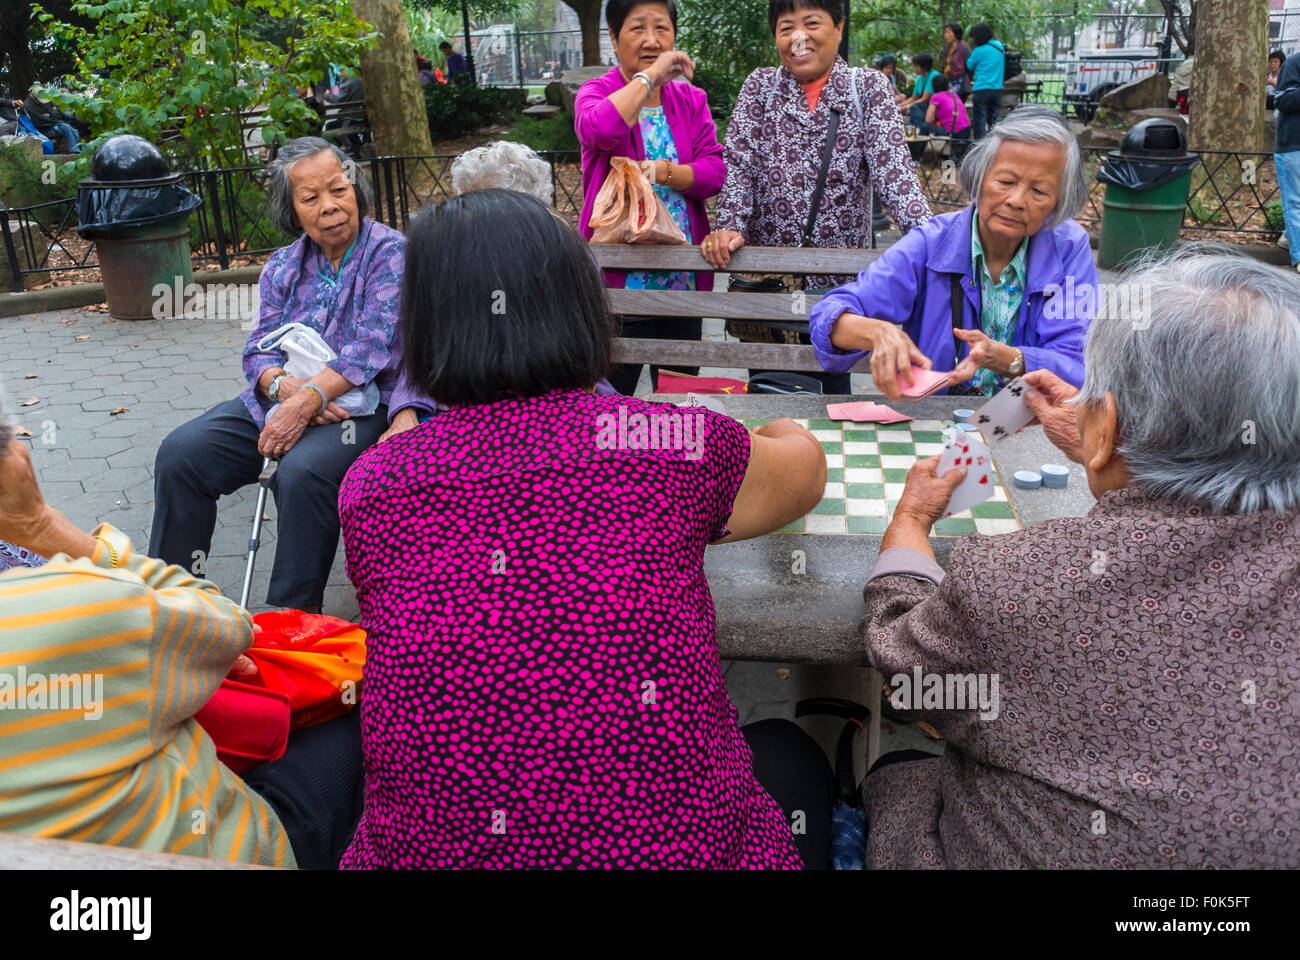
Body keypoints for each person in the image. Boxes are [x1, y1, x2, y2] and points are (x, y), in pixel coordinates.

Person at [337, 188, 836, 869]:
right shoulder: (664, 445)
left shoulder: (373, 485)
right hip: (682, 851)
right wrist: (783, 425)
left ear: (423, 325)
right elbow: (805, 473)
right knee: (789, 753)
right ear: (577, 301)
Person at [857, 248, 1300, 869]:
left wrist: (911, 521)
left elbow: (906, 664)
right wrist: (1104, 449)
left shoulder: (1014, 579)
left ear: (1109, 420)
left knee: (892, 768)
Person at [0, 431, 365, 869]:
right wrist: (43, 526)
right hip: (219, 846)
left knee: (301, 468)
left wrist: (311, 391)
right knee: (375, 696)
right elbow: (229, 627)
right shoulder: (63, 606)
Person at [149, 138, 403, 614]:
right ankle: (174, 606)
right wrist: (279, 386)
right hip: (278, 400)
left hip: (361, 408)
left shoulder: (391, 253)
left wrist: (307, 398)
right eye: (311, 198)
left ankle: (291, 620)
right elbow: (257, 349)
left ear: (356, 190)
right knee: (182, 454)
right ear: (293, 210)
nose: (330, 207)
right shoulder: (284, 265)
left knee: (302, 472)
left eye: (339, 190)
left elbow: (372, 347)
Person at [703, 0, 931, 394]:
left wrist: (933, 240)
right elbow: (739, 165)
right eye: (785, 27)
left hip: (838, 287)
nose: (798, 38)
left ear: (839, 28)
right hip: (769, 283)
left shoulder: (867, 89)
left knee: (833, 400)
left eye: (811, 23)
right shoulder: (760, 87)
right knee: (771, 394)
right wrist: (729, 226)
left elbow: (897, 179)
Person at [809, 107, 1096, 400]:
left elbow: (1079, 362)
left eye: (1039, 191)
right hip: (935, 422)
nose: (1017, 200)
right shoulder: (932, 243)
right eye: (1006, 182)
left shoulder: (1069, 248)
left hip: (1032, 424)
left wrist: (1010, 359)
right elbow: (829, 316)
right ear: (979, 177)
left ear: (1058, 202)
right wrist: (877, 332)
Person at [575, 0, 725, 396]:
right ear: (613, 37)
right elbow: (599, 132)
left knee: (679, 405)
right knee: (609, 403)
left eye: (661, 28)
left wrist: (663, 172)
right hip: (619, 281)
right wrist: (651, 76)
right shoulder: (596, 93)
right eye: (637, 28)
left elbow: (713, 173)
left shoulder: (691, 101)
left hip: (682, 279)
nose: (651, 39)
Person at [382, 140, 559, 439]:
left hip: (539, 407)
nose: (460, 220)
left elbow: (576, 361)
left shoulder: (557, 255)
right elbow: (422, 346)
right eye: (461, 203)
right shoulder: (448, 258)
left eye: (473, 208)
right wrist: (406, 410)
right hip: (452, 409)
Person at [1275, 51, 1300, 271]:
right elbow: (1282, 99)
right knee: (1296, 202)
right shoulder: (1294, 63)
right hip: (1294, 145)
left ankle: (1287, 237)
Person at [966, 22, 1005, 138]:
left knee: (979, 120)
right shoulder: (999, 46)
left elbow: (969, 66)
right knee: (994, 120)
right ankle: (995, 142)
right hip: (997, 89)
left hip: (981, 89)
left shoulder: (978, 51)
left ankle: (979, 146)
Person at [923, 74, 971, 148]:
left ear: (933, 86)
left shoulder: (936, 97)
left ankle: (917, 156)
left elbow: (928, 120)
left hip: (953, 133)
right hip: (966, 131)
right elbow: (967, 119)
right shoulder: (955, 96)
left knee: (925, 127)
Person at [899, 52, 941, 130]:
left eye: (916, 67)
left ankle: (919, 129)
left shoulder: (933, 75)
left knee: (915, 107)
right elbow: (913, 97)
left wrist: (906, 106)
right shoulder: (920, 78)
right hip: (925, 106)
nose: (914, 69)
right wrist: (900, 105)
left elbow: (925, 99)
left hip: (935, 107)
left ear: (924, 67)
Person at [940, 22, 971, 100]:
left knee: (956, 109)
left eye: (948, 32)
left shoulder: (964, 48)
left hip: (960, 85)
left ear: (956, 33)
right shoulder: (947, 49)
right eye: (945, 32)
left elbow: (970, 67)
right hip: (949, 83)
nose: (945, 35)